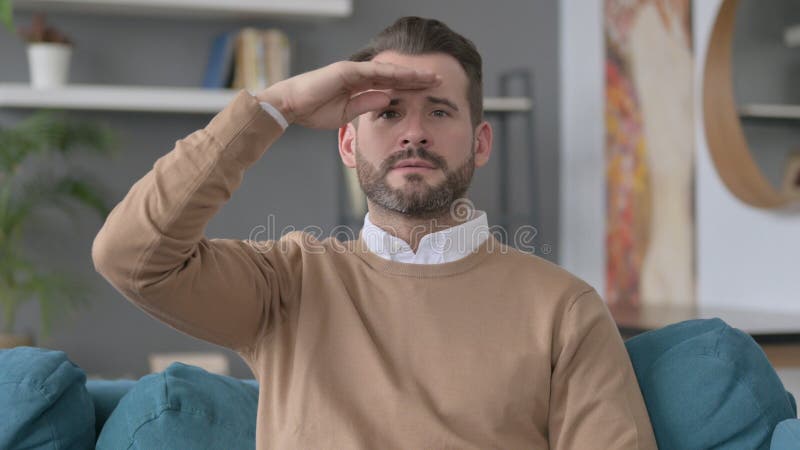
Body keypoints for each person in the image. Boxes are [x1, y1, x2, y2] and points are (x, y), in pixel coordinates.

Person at [93, 16, 657, 449]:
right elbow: (130, 257)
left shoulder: (564, 309)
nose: (413, 133)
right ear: (347, 144)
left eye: (438, 112)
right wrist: (275, 107)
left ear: (481, 142)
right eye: (387, 114)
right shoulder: (287, 283)